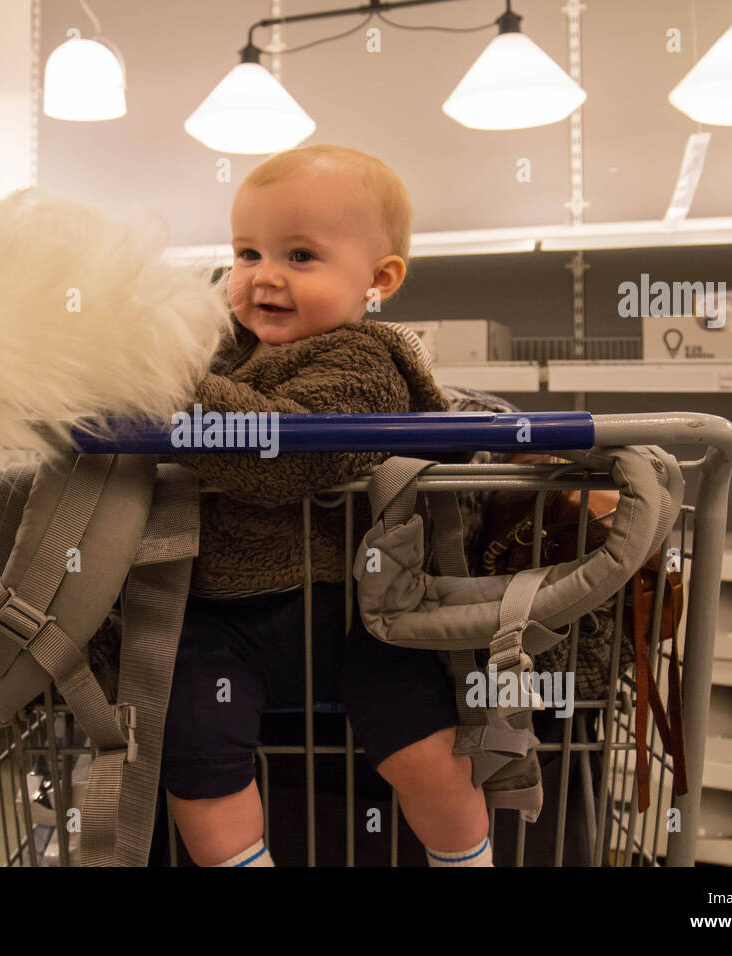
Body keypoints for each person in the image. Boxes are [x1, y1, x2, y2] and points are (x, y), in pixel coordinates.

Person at [160, 144, 493, 867]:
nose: (263, 277)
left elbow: (285, 454)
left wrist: (152, 382)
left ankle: (465, 858)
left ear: (379, 280)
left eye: (300, 256)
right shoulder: (219, 355)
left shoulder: (365, 360)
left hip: (357, 609)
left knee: (426, 748)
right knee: (195, 757)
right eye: (246, 253)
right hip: (222, 615)